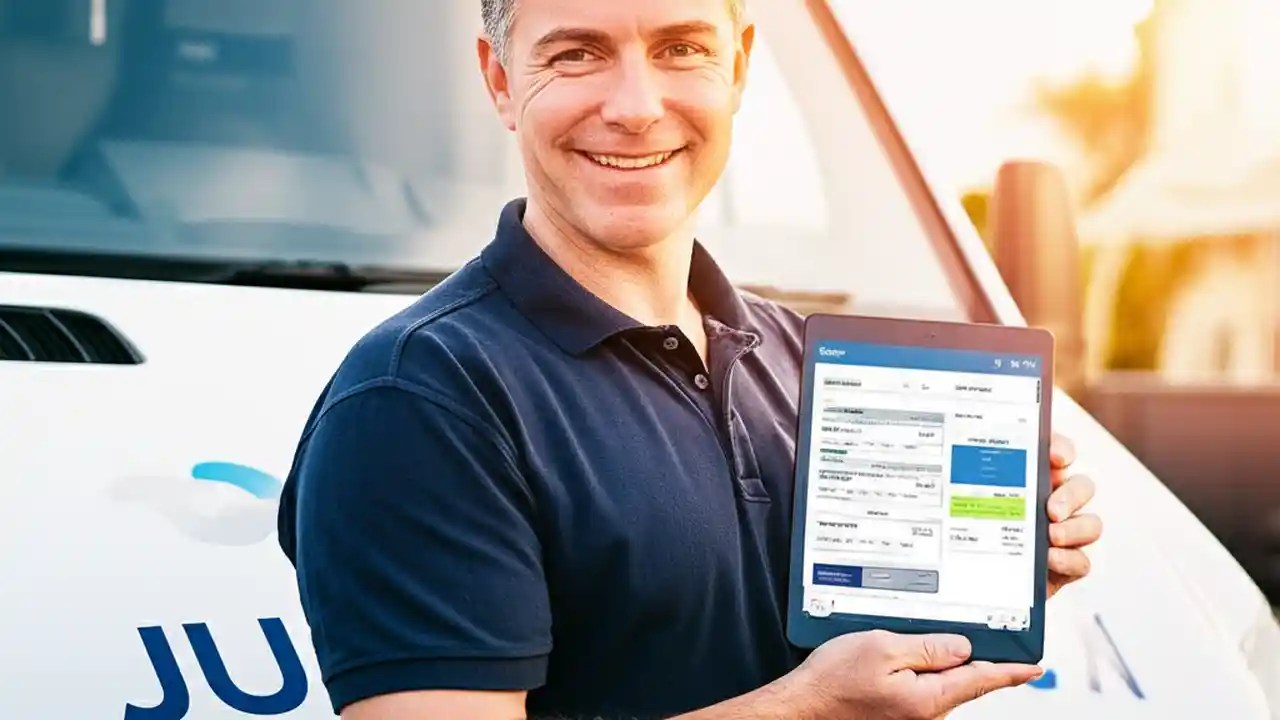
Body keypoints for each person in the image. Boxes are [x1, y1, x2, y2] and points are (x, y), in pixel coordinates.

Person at [276, 0, 1103, 717]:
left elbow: (864, 671)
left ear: (739, 67)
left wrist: (974, 590)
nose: (636, 107)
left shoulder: (804, 361)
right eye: (577, 53)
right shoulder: (421, 395)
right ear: (499, 79)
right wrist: (812, 712)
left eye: (682, 47)